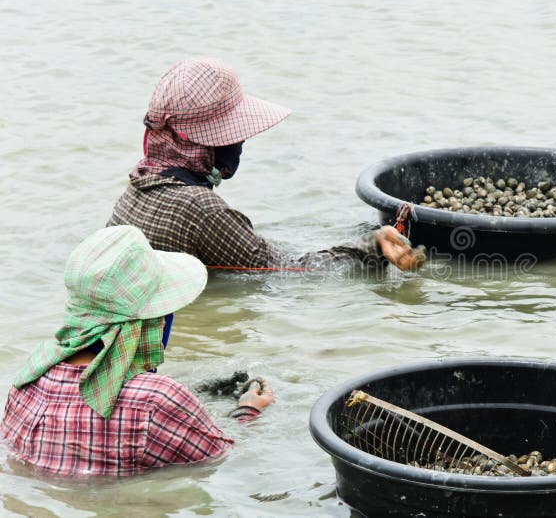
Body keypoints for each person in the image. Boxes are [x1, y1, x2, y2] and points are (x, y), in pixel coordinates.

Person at [0, 226, 273, 476]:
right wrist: (249, 411)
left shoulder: (29, 378)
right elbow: (225, 461)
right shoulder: (157, 399)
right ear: (154, 323)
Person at [107, 58, 424, 272]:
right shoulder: (202, 210)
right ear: (207, 141)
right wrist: (371, 247)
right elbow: (288, 273)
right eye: (233, 134)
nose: (239, 143)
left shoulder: (137, 188)